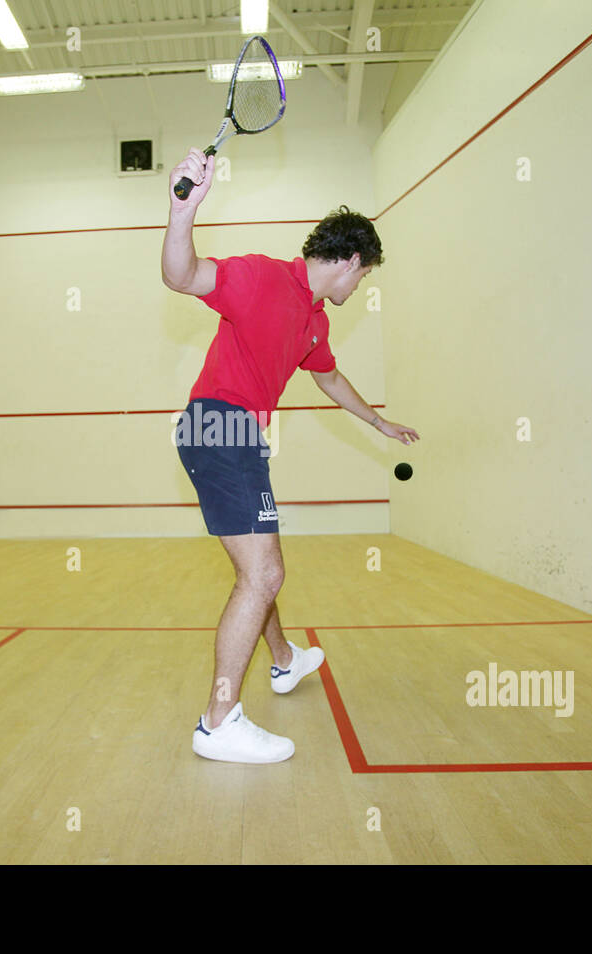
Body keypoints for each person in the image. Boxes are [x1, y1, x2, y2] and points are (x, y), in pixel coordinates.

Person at [161, 148, 420, 764]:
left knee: (258, 568)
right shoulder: (258, 277)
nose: (360, 287)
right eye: (364, 275)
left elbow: (329, 379)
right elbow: (181, 275)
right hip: (218, 428)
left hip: (241, 437)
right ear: (351, 261)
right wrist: (182, 211)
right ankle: (218, 721)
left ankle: (283, 662)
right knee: (265, 572)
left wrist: (377, 421)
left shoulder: (313, 322)